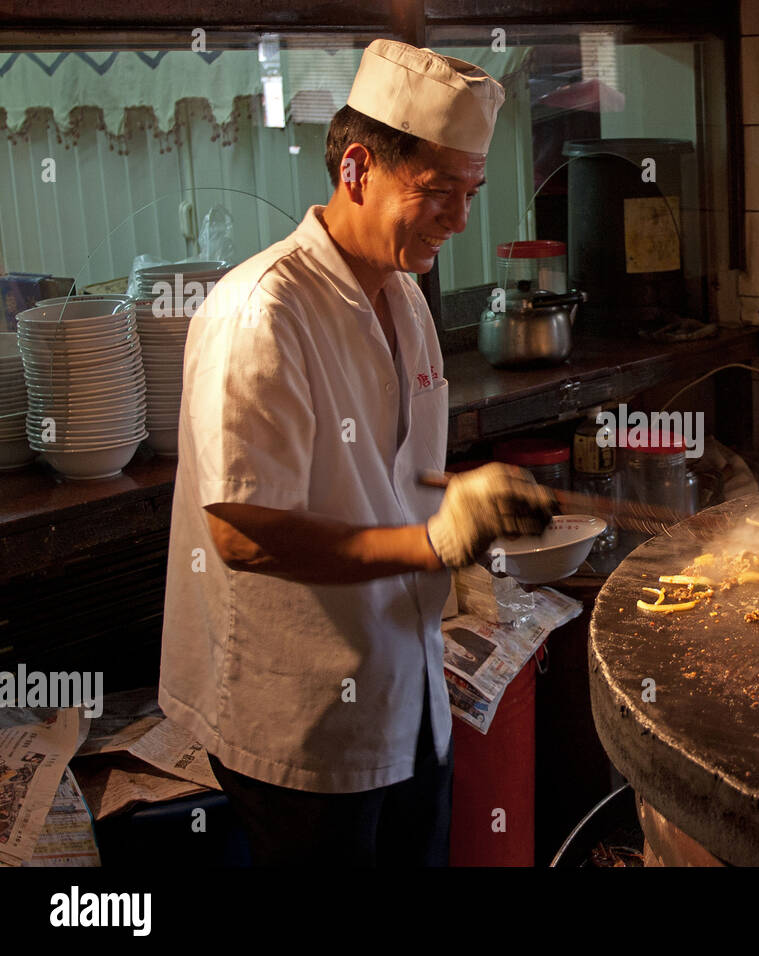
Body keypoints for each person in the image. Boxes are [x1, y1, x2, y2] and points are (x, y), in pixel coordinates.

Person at [158, 40, 555, 866]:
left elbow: (393, 469)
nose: (459, 219)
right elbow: (243, 531)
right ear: (356, 168)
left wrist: (468, 504)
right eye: (438, 193)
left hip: (406, 692)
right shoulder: (263, 313)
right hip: (302, 720)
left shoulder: (405, 300)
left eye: (471, 194)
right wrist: (432, 542)